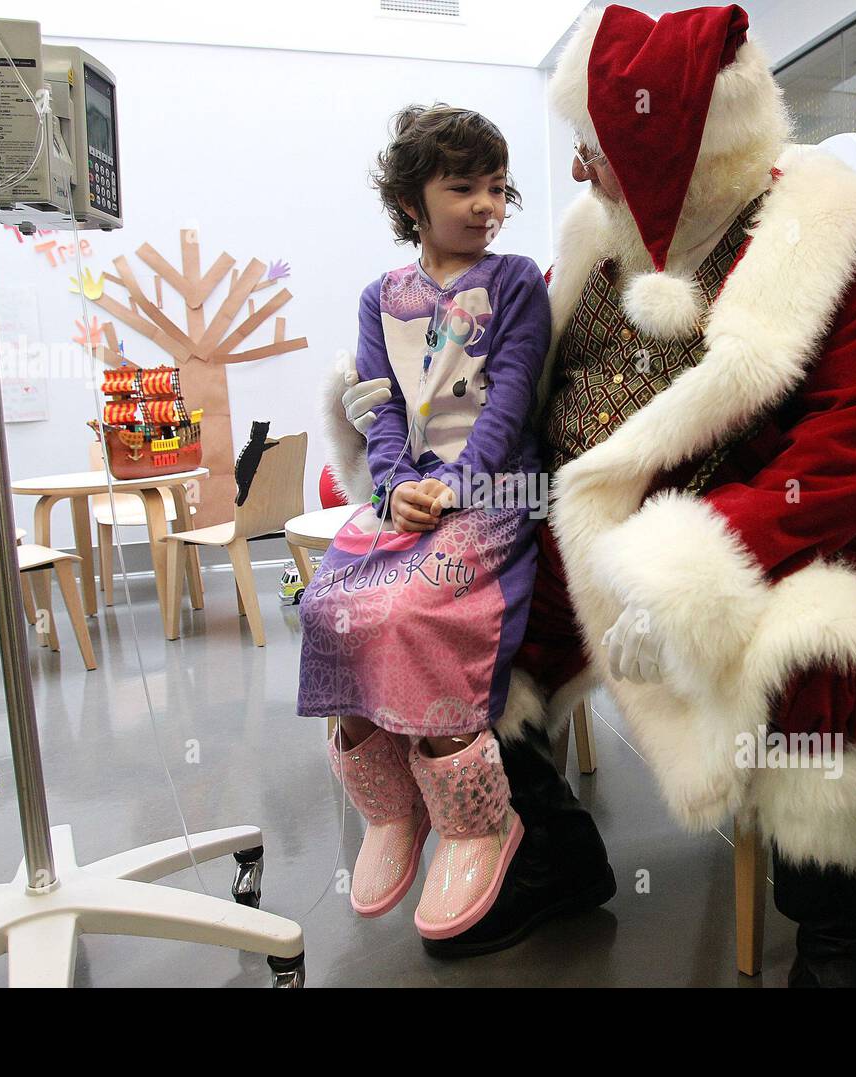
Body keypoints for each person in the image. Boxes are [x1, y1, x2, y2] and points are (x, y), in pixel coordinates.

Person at [330, 4, 856, 987]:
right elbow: (507, 384)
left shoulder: (827, 244)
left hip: (762, 540)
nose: (570, 173)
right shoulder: (594, 242)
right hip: (568, 530)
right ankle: (559, 855)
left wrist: (694, 551)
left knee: (823, 658)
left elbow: (855, 438)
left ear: (669, 149)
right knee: (447, 624)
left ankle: (827, 935)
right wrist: (399, 441)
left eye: (594, 148)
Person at [297, 104, 573, 942]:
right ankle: (393, 812)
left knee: (422, 608)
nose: (487, 204)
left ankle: (475, 820)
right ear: (414, 202)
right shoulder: (380, 298)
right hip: (407, 496)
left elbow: (510, 400)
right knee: (329, 607)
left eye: (498, 187)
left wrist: (453, 489)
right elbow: (377, 408)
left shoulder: (517, 280)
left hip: (495, 493)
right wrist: (392, 488)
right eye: (464, 187)